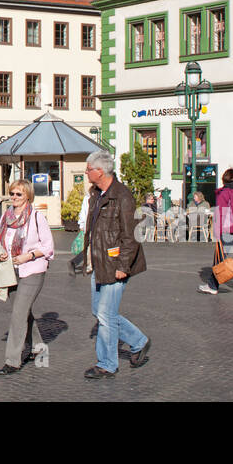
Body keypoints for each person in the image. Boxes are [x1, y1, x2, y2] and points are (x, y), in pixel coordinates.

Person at [82, 150, 148, 380]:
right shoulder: (97, 194)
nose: (86, 172)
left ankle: (107, 364)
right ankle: (139, 341)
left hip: (116, 264)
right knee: (99, 311)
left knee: (105, 314)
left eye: (88, 168)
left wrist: (123, 265)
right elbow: (95, 231)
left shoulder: (122, 196)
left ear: (100, 171)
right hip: (99, 262)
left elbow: (131, 236)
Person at [0, 179, 55, 376]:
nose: (14, 197)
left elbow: (48, 247)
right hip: (11, 270)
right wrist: (1, 252)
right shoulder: (6, 217)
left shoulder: (37, 217)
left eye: (18, 194)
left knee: (18, 314)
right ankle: (37, 346)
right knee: (24, 312)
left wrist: (28, 256)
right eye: (12, 193)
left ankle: (12, 360)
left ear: (28, 196)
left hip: (33, 270)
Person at [198, 169, 233, 295]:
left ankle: (213, 286)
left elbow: (221, 214)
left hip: (228, 229)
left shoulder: (224, 193)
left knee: (220, 258)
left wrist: (216, 232)